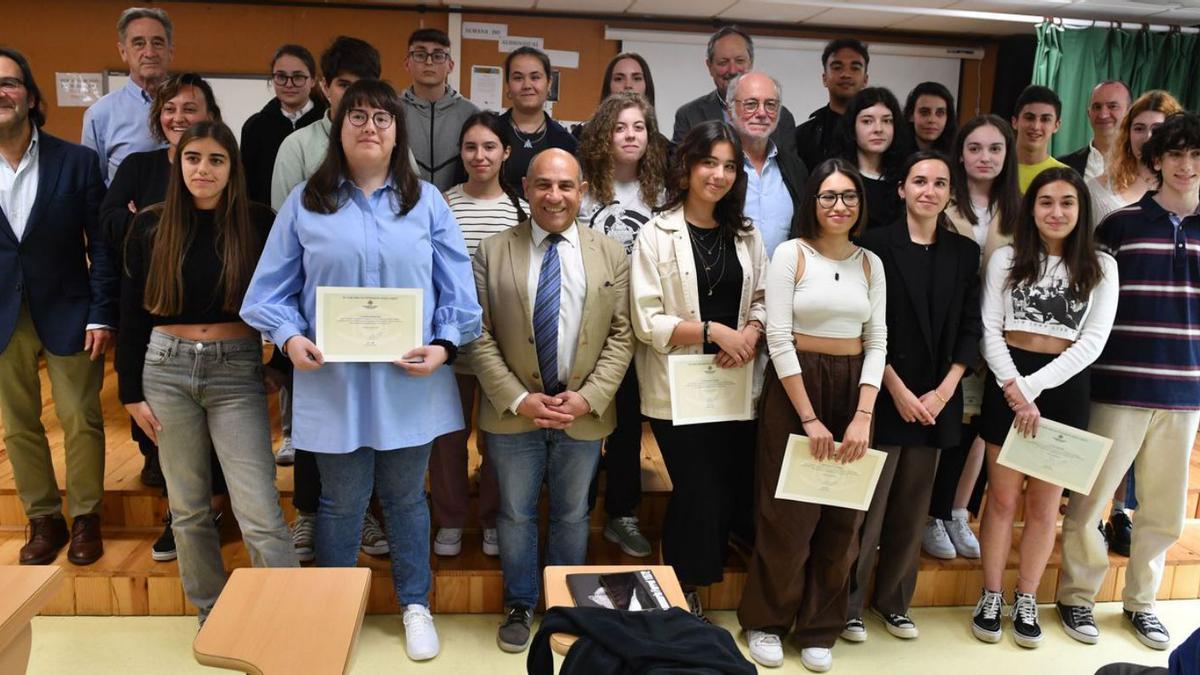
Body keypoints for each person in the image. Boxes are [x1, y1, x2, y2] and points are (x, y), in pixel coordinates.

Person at [242, 79, 482, 662]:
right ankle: (332, 608)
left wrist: (444, 346)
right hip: (335, 381)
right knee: (341, 503)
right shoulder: (306, 201)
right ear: (338, 128)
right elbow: (268, 292)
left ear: (397, 132)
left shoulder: (427, 202)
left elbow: (459, 292)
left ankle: (415, 604)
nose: (370, 126)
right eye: (357, 116)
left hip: (409, 379)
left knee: (406, 499)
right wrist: (289, 336)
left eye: (382, 117)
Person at [117, 121, 297, 622]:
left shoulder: (258, 223)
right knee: (189, 506)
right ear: (178, 163)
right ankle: (211, 611)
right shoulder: (150, 226)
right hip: (165, 369)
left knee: (257, 505)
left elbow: (290, 294)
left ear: (232, 168)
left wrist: (281, 364)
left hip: (235, 367)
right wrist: (130, 391)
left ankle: (288, 613)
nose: (204, 169)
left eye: (216, 159)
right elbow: (130, 313)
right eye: (193, 157)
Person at [468, 148, 633, 652]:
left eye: (565, 186)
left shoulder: (611, 253)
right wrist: (518, 398)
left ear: (582, 191)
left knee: (573, 514)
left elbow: (622, 335)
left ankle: (563, 605)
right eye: (543, 184)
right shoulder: (492, 251)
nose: (554, 196)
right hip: (514, 412)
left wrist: (589, 398)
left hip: (582, 413)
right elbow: (477, 334)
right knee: (515, 513)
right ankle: (519, 602)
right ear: (525, 188)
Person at [1057, 112, 1200, 653]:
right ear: (1156, 160)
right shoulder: (1120, 226)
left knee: (1163, 512)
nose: (1186, 166)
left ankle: (1142, 602)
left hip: (1184, 392)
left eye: (1196, 155)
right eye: (1176, 154)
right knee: (1089, 502)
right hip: (1116, 387)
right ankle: (1076, 595)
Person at [738, 158, 886, 672]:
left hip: (854, 391)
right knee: (788, 518)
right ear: (813, 202)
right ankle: (766, 621)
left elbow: (878, 341)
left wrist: (863, 414)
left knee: (844, 520)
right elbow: (778, 338)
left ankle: (820, 628)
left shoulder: (871, 263)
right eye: (829, 196)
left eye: (849, 196)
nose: (839, 205)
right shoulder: (790, 254)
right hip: (796, 389)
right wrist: (809, 419)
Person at [973, 167, 1117, 649]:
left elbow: (1092, 342)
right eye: (1046, 202)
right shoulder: (1007, 258)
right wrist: (1014, 387)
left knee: (1044, 506)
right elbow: (989, 329)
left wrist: (1031, 389)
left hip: (1064, 385)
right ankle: (991, 594)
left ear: (1081, 210)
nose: (1056, 212)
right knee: (1001, 500)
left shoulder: (1102, 265)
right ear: (1031, 208)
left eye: (1067, 202)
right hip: (1007, 379)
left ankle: (1027, 597)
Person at [631, 120, 767, 621]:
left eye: (730, 166)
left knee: (727, 482)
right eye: (709, 162)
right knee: (697, 486)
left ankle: (700, 576)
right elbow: (647, 320)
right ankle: (682, 588)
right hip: (678, 385)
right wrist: (713, 332)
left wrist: (751, 332)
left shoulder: (747, 234)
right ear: (687, 167)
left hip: (736, 380)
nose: (719, 175)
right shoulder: (656, 233)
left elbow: (763, 297)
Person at [847, 151, 981, 643]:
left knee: (912, 509)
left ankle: (894, 603)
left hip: (937, 399)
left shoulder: (964, 252)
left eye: (940, 183)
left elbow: (971, 326)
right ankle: (849, 605)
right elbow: (864, 324)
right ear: (901, 188)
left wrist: (946, 389)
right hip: (884, 391)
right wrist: (897, 389)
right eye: (920, 181)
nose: (929, 190)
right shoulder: (873, 244)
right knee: (867, 510)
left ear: (950, 193)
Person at [269, 35, 388, 561]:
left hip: (380, 321)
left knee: (369, 425)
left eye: (364, 88)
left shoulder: (389, 143)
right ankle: (308, 513)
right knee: (314, 425)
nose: (353, 99)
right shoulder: (298, 147)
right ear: (325, 86)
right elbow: (284, 235)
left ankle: (361, 513)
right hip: (315, 317)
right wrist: (292, 325)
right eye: (343, 86)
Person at [100, 72, 223, 562]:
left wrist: (149, 219)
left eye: (190, 108)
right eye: (169, 109)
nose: (178, 117)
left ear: (210, 116)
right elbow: (111, 222)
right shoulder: (138, 165)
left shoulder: (224, 165)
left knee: (216, 429)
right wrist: (149, 225)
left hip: (215, 317)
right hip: (153, 316)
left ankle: (213, 510)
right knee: (165, 430)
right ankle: (182, 514)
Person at [0, 47, 116, 567]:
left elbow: (103, 245)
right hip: (3, 316)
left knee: (80, 418)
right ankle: (44, 517)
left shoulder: (77, 162)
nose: (1, 94)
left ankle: (87, 515)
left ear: (30, 96)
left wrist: (102, 310)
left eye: (9, 83)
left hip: (70, 310)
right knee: (18, 424)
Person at [922, 114, 1020, 562]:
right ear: (959, 154)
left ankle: (957, 511)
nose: (985, 157)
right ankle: (930, 512)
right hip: (947, 330)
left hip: (999, 334)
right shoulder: (942, 199)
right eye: (975, 148)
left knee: (979, 429)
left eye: (995, 148)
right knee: (944, 422)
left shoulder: (1019, 208)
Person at [431, 112, 525, 559]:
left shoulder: (522, 209)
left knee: (498, 440)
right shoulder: (441, 204)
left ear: (506, 152)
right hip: (448, 346)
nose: (479, 156)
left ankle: (491, 519)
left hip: (502, 349)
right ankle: (450, 519)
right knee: (447, 439)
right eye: (470, 147)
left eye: (489, 146)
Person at [577, 92, 667, 558]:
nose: (630, 135)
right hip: (586, 319)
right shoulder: (583, 185)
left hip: (639, 323)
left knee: (629, 421)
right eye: (620, 127)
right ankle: (575, 509)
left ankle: (621, 513)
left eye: (639, 127)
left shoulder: (661, 191)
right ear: (603, 135)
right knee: (585, 416)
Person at [82, 6, 172, 184]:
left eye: (157, 43)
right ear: (123, 52)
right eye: (139, 43)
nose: (149, 53)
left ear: (170, 51)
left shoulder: (196, 106)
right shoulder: (99, 115)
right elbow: (91, 187)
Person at [671, 26, 796, 154]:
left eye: (740, 61)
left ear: (751, 63)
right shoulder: (689, 115)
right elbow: (679, 163)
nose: (732, 70)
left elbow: (790, 164)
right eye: (723, 62)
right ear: (709, 66)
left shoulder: (782, 117)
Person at [726, 72, 808, 258]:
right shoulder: (716, 168)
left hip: (784, 275)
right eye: (751, 104)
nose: (762, 113)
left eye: (770, 105)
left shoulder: (795, 168)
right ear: (730, 111)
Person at [241, 44, 327, 208]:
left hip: (320, 217)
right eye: (281, 77)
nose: (289, 84)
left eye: (298, 77)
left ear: (313, 80)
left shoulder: (328, 124)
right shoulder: (255, 127)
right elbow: (247, 186)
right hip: (267, 220)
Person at [1088, 90, 1183, 225]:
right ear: (1127, 134)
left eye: (1157, 129)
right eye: (1139, 128)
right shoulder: (1097, 189)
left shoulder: (1190, 188)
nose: (1147, 137)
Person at [402, 28, 478, 191]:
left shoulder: (471, 114)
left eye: (438, 56)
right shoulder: (392, 111)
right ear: (407, 63)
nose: (429, 62)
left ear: (450, 65)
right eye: (420, 55)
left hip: (457, 203)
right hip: (403, 202)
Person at [499, 47, 577, 194]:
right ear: (508, 86)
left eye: (535, 77)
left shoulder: (566, 143)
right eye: (518, 78)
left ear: (549, 83)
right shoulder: (490, 133)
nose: (527, 85)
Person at [832, 87, 908, 232]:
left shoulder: (906, 177)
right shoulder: (836, 176)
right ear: (852, 127)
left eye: (887, 121)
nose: (878, 129)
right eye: (867, 121)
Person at [795, 39, 870, 173]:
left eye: (855, 68)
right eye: (837, 67)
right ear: (824, 78)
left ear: (865, 80)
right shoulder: (803, 135)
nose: (846, 74)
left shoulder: (880, 131)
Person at [1057, 80, 1132, 180]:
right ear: (1089, 113)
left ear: (1130, 112)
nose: (1103, 115)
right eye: (1097, 107)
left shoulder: (1143, 165)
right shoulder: (1063, 166)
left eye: (1112, 106)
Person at [1012, 85, 1068, 193]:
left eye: (1045, 119)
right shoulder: (994, 168)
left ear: (1056, 125)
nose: (1036, 126)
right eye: (1029, 118)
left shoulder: (1065, 177)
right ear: (1015, 122)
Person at [904, 82, 957, 155]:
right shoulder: (895, 153)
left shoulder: (957, 154)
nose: (932, 120)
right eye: (924, 112)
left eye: (940, 113)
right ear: (911, 115)